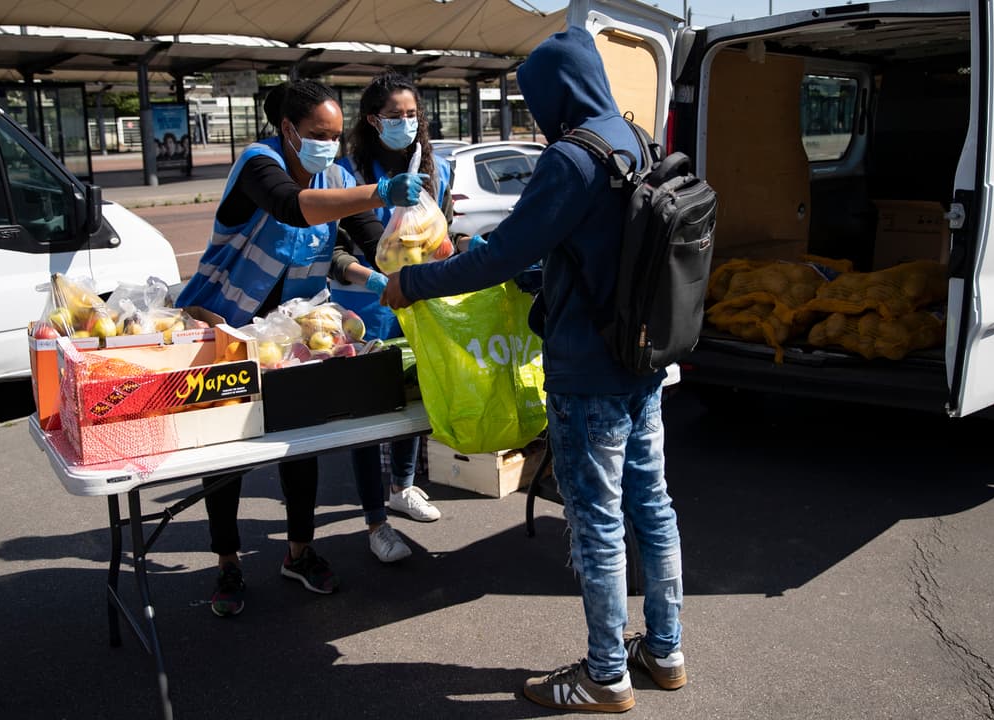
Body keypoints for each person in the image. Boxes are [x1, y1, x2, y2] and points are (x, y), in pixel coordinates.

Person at [381, 27, 685, 712]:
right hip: (642, 359)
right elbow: (592, 246)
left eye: (534, 96)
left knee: (598, 521)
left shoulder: (571, 159)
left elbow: (497, 258)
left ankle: (605, 675)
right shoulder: (634, 141)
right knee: (652, 507)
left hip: (587, 370)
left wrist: (415, 283)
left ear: (554, 92)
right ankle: (664, 652)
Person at [176, 80, 428, 617]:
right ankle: (227, 562)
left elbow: (361, 241)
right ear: (288, 130)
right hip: (222, 329)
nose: (329, 146)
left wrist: (409, 263)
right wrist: (381, 192)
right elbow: (293, 209)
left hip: (292, 339)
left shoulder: (337, 176)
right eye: (318, 135)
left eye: (336, 136)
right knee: (224, 457)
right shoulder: (258, 164)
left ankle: (298, 552)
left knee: (299, 444)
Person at [333, 70, 455, 526]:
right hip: (363, 313)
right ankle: (374, 522)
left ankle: (403, 488)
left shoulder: (431, 171)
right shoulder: (344, 175)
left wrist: (458, 252)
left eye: (411, 114)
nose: (405, 122)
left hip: (418, 309)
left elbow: (436, 235)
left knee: (411, 406)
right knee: (366, 420)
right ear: (372, 120)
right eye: (393, 115)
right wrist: (374, 280)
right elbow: (334, 250)